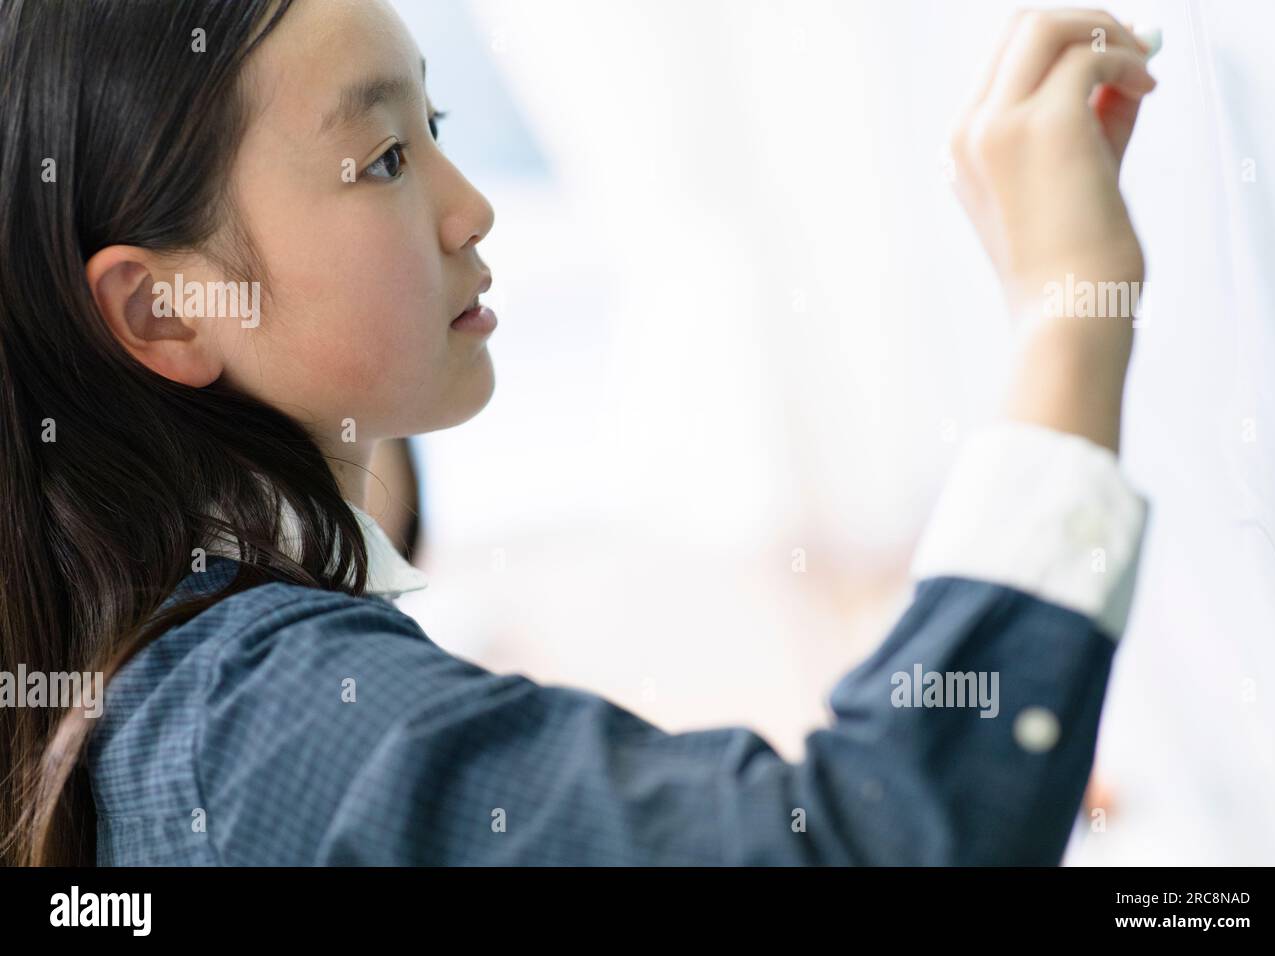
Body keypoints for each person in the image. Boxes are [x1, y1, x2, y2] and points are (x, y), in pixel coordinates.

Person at [0, 0, 1154, 865]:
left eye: (436, 123)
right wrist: (1071, 308)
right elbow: (874, 846)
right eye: (386, 157)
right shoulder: (258, 723)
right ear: (165, 308)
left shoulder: (173, 678)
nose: (473, 204)